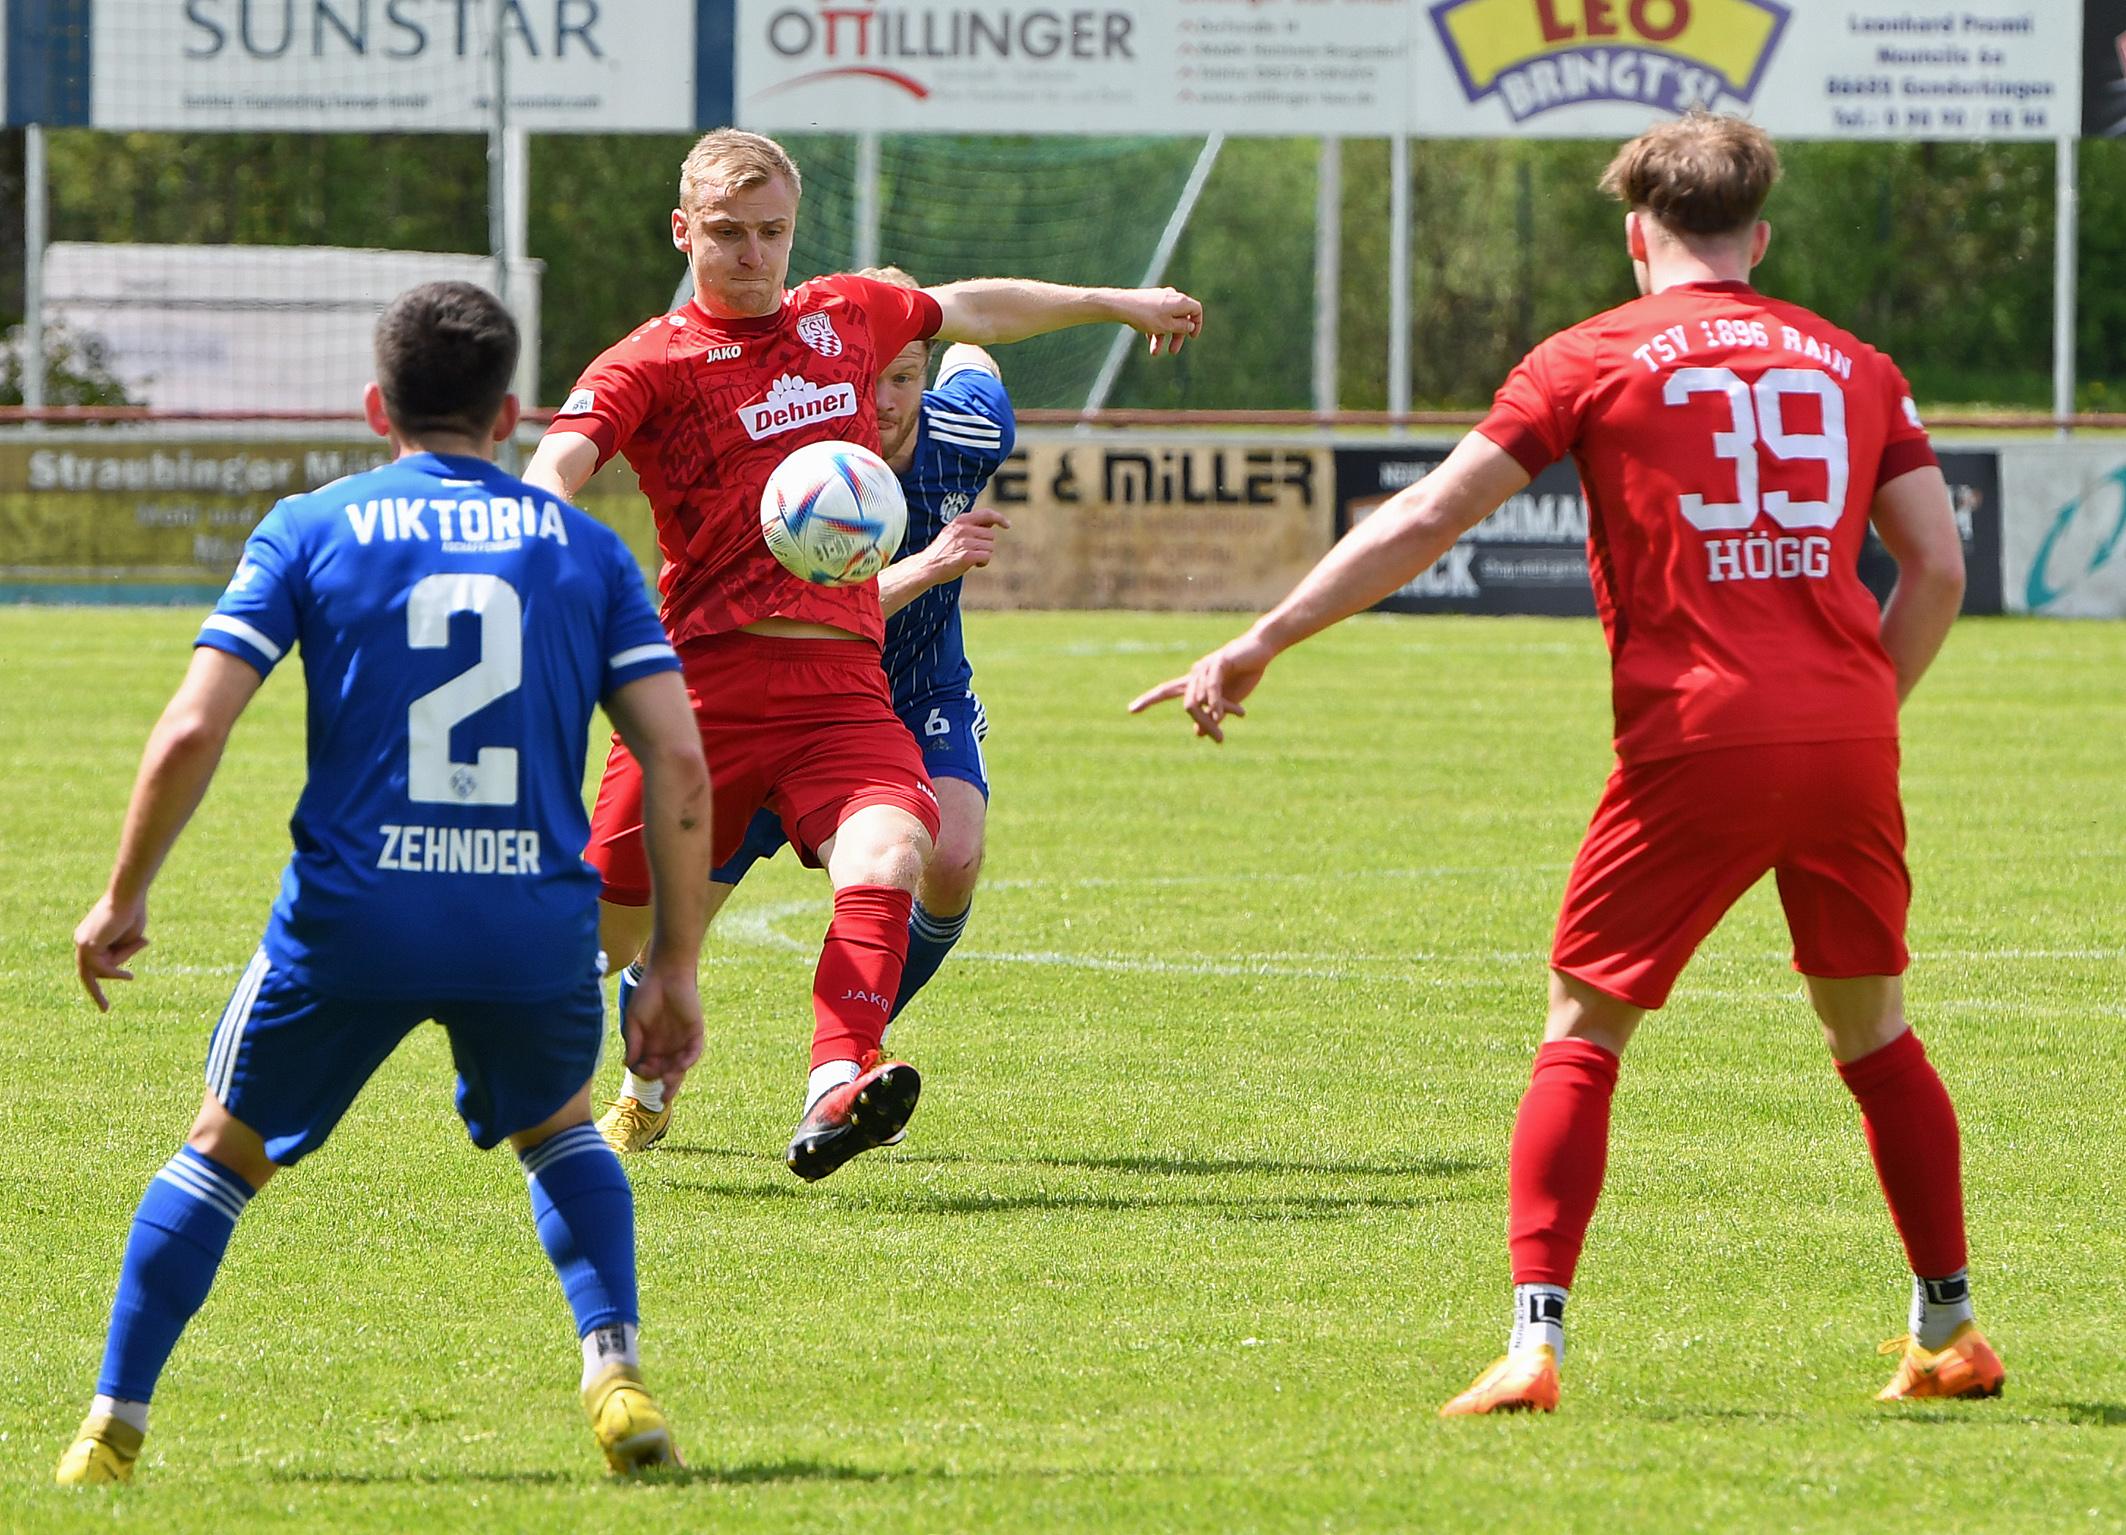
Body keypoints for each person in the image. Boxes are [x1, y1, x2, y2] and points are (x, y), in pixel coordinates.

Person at [1131, 112, 1996, 1414]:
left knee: (1583, 1027)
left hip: (1696, 734)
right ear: (1754, 236)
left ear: (1636, 234)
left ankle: (1533, 1342)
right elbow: (1934, 566)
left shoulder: (1592, 355)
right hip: (1844, 734)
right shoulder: (1855, 363)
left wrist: (1264, 638)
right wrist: (1861, 707)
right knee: (1870, 1027)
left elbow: (1428, 513)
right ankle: (1950, 1325)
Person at [57, 282, 715, 1486]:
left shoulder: (313, 525)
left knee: (219, 1150)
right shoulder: (584, 548)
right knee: (562, 1130)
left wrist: (124, 894)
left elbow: (193, 728)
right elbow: (675, 755)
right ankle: (613, 1368)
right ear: (511, 411)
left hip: (353, 915)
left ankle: (113, 1421)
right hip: (528, 918)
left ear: (378, 407)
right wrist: (669, 960)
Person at [526, 129, 1200, 1181]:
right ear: (681, 232)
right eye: (726, 235)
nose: (753, 256)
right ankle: (585, 1061)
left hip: (841, 688)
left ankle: (836, 1079)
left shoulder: (843, 315)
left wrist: (1114, 301)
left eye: (771, 234)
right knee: (606, 945)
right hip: (699, 693)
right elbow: (561, 459)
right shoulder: (647, 360)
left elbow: (974, 308)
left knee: (894, 852)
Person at [597, 263, 1015, 1155]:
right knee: (668, 931)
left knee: (951, 853)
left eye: (908, 375)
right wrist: (931, 563)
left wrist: (950, 325)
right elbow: (833, 598)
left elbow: (976, 343)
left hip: (917, 692)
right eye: (872, 376)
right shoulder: (800, 457)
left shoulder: (971, 432)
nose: (887, 397)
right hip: (776, 696)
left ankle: (853, 1055)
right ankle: (643, 1089)